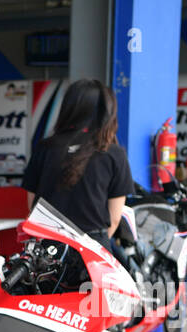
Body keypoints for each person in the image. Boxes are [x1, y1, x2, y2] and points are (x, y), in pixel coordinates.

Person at [21, 79, 133, 247]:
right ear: (107, 112)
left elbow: (32, 204)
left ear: (68, 107)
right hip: (93, 248)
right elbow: (115, 217)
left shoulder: (45, 147)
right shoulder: (113, 153)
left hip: (48, 248)